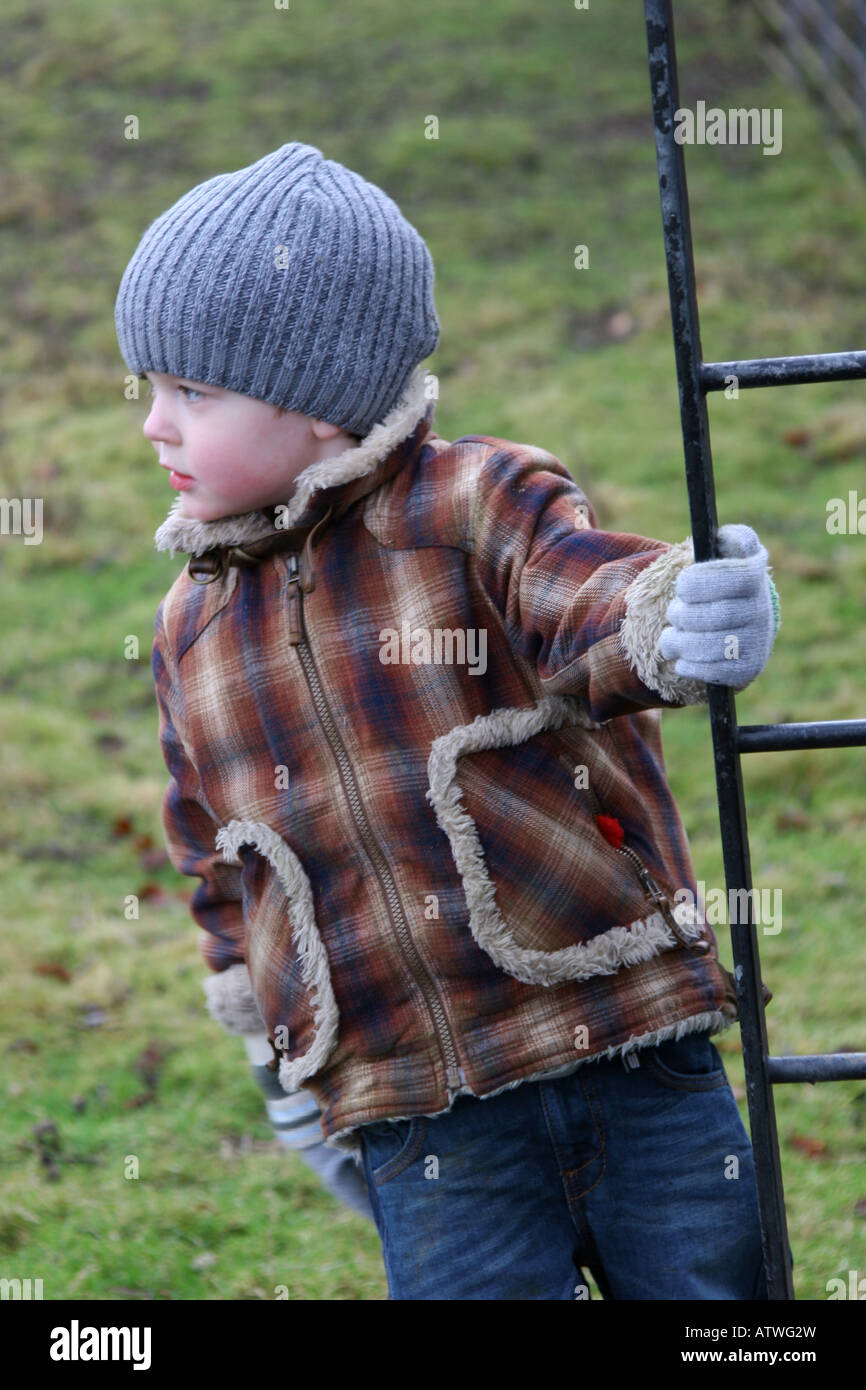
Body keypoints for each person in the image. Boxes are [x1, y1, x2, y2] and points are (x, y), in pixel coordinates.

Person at [115, 141, 787, 1299]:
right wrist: (280, 1059)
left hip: (624, 1047)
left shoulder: (471, 506)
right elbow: (212, 847)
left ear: (318, 404)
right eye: (150, 392)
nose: (154, 428)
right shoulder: (187, 622)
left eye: (193, 392)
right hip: (417, 1118)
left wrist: (677, 612)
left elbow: (581, 599)